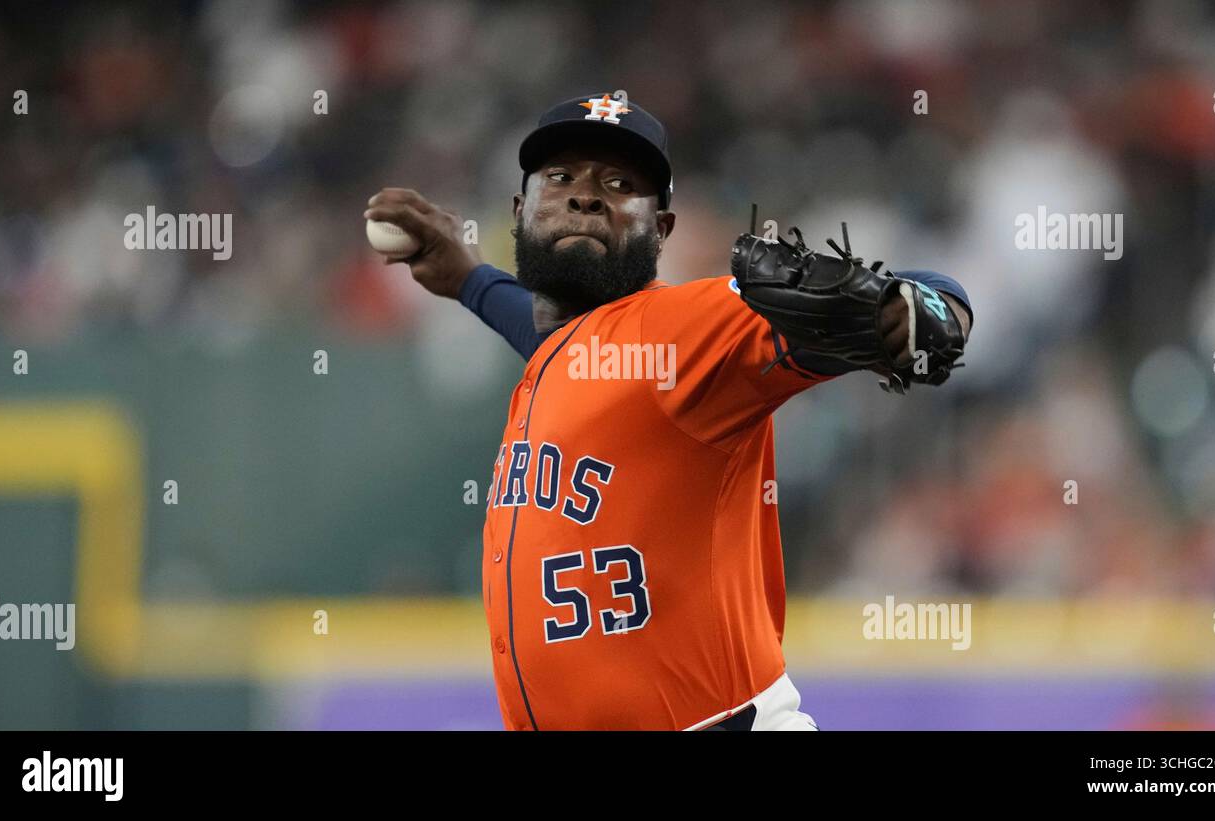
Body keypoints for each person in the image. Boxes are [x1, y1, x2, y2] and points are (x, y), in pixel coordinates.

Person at [364, 92, 973, 730]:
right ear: (520, 211)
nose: (586, 195)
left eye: (621, 183)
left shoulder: (688, 331)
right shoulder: (572, 354)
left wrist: (907, 310)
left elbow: (940, 302)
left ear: (661, 230)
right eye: (560, 177)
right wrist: (468, 279)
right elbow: (556, 339)